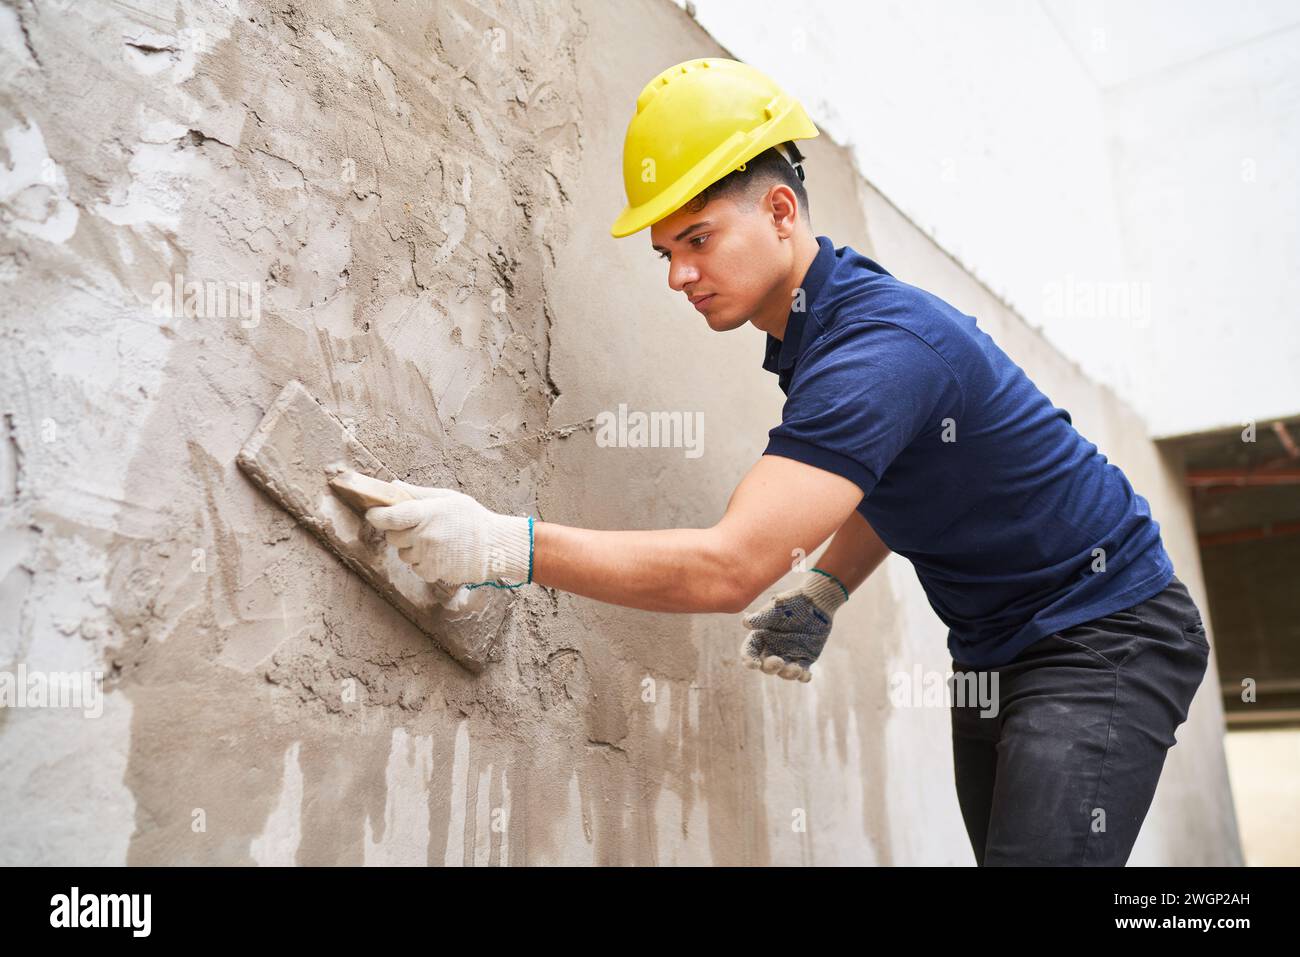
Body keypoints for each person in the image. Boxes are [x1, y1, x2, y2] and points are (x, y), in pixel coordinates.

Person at [365, 57, 1210, 866]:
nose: (678, 275)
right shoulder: (821, 329)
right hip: (993, 646)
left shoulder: (873, 351)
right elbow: (897, 471)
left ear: (779, 212)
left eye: (696, 238)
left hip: (1107, 631)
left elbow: (727, 568)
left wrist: (500, 547)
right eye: (664, 252)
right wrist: (827, 588)